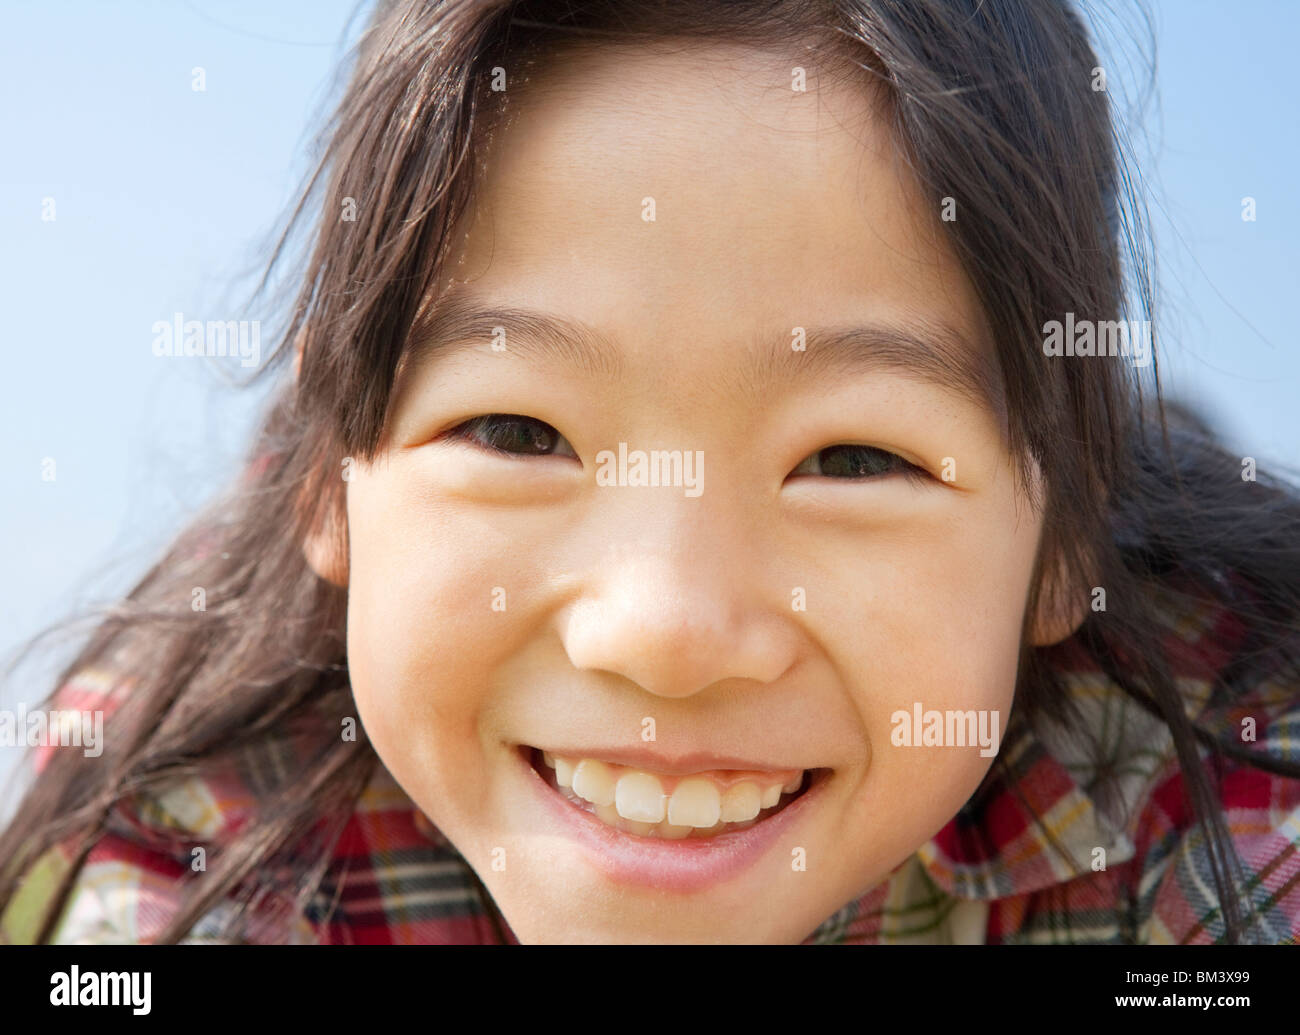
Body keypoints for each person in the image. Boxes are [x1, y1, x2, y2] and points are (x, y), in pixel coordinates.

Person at [2, 0, 1298, 945]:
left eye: (855, 459)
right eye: (517, 434)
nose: (668, 634)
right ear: (332, 486)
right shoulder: (195, 844)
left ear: (1061, 539)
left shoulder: (1229, 790)